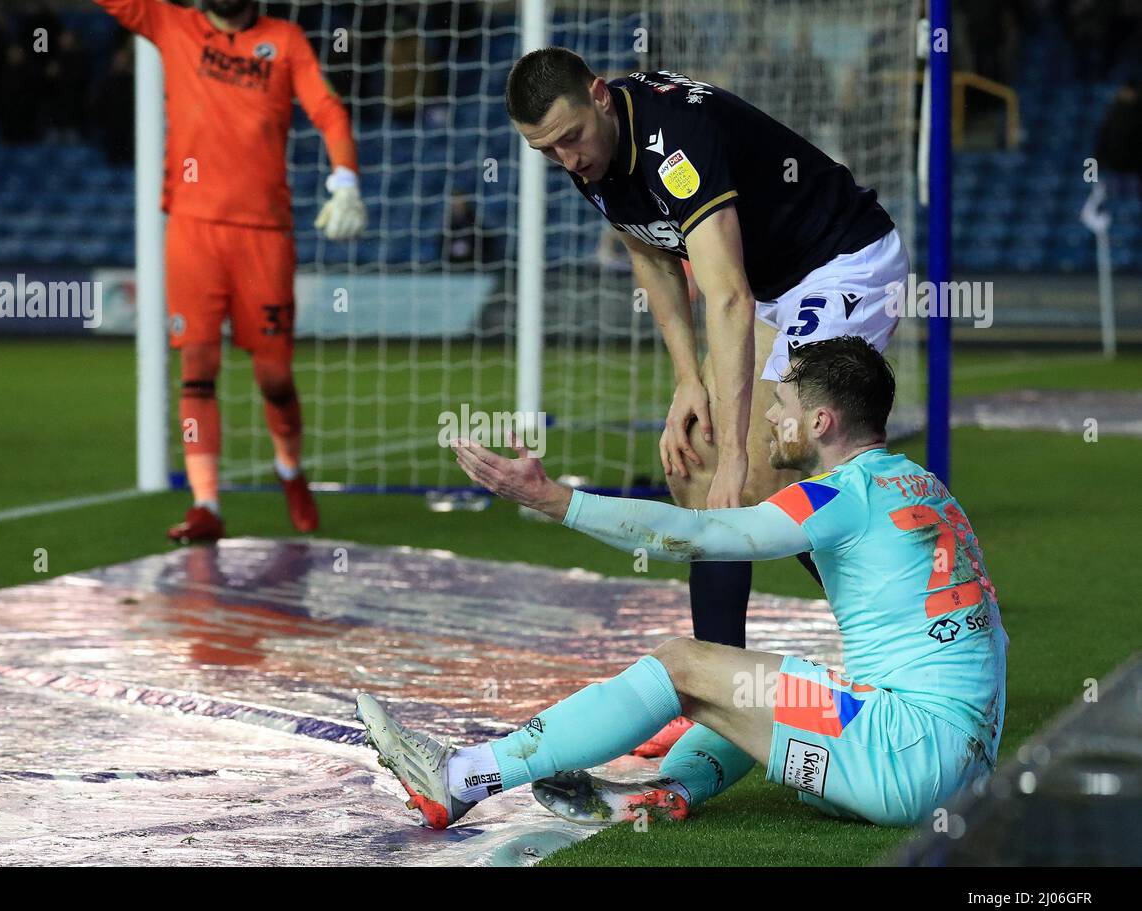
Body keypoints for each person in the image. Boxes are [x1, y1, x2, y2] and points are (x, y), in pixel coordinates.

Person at [360, 337, 1006, 830]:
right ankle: (667, 793)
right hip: (957, 769)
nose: (770, 421)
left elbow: (699, 535)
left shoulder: (840, 494)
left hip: (903, 753)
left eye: (780, 407)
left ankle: (464, 776)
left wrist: (556, 500)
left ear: (820, 423)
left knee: (680, 666)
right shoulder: (922, 485)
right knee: (756, 682)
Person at [504, 47, 910, 755]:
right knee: (694, 467)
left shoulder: (672, 141)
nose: (565, 159)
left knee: (767, 465)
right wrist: (687, 382)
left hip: (843, 263)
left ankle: (913, 633)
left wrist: (737, 466)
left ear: (600, 96)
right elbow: (649, 251)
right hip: (778, 287)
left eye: (569, 138)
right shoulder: (590, 152)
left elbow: (726, 295)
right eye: (547, 150)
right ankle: (715, 698)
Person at [93, 0, 367, 540]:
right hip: (192, 230)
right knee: (197, 365)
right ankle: (207, 506)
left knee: (274, 375)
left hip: (263, 235)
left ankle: (288, 468)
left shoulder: (284, 41)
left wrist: (346, 175)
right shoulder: (171, 24)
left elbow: (328, 108)